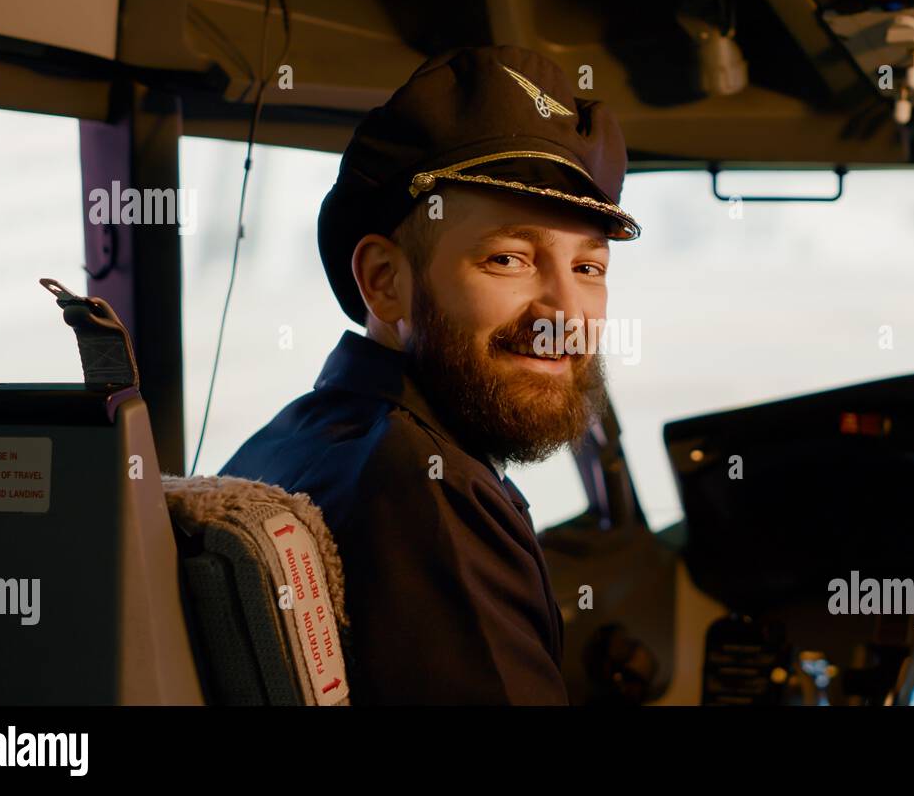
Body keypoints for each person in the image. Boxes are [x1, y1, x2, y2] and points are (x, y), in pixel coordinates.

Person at [219, 44, 641, 704]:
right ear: (386, 283)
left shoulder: (300, 437)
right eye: (508, 258)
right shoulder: (433, 495)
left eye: (588, 268)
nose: (565, 312)